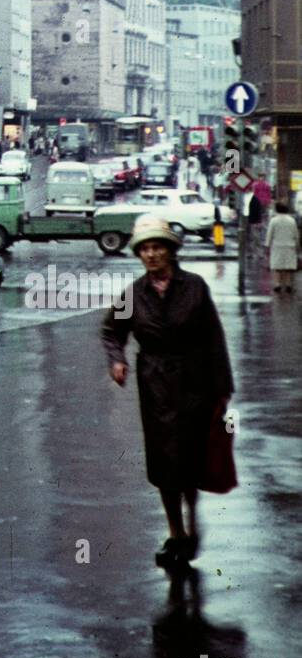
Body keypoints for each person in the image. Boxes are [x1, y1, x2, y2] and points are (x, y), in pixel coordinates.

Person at [101, 214, 234, 569]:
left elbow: (214, 337)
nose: (151, 254)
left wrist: (223, 389)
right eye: (145, 249)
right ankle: (175, 532)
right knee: (164, 461)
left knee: (191, 456)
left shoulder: (194, 287)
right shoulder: (134, 293)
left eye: (158, 247)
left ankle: (191, 523)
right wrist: (117, 360)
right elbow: (111, 331)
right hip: (155, 384)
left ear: (171, 251)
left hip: (195, 382)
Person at [265, 200, 299, 294]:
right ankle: (288, 284)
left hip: (277, 246)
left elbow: (269, 234)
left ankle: (277, 284)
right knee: (288, 267)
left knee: (278, 267)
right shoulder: (292, 221)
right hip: (290, 246)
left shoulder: (274, 220)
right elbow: (296, 234)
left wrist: (267, 246)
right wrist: (297, 245)